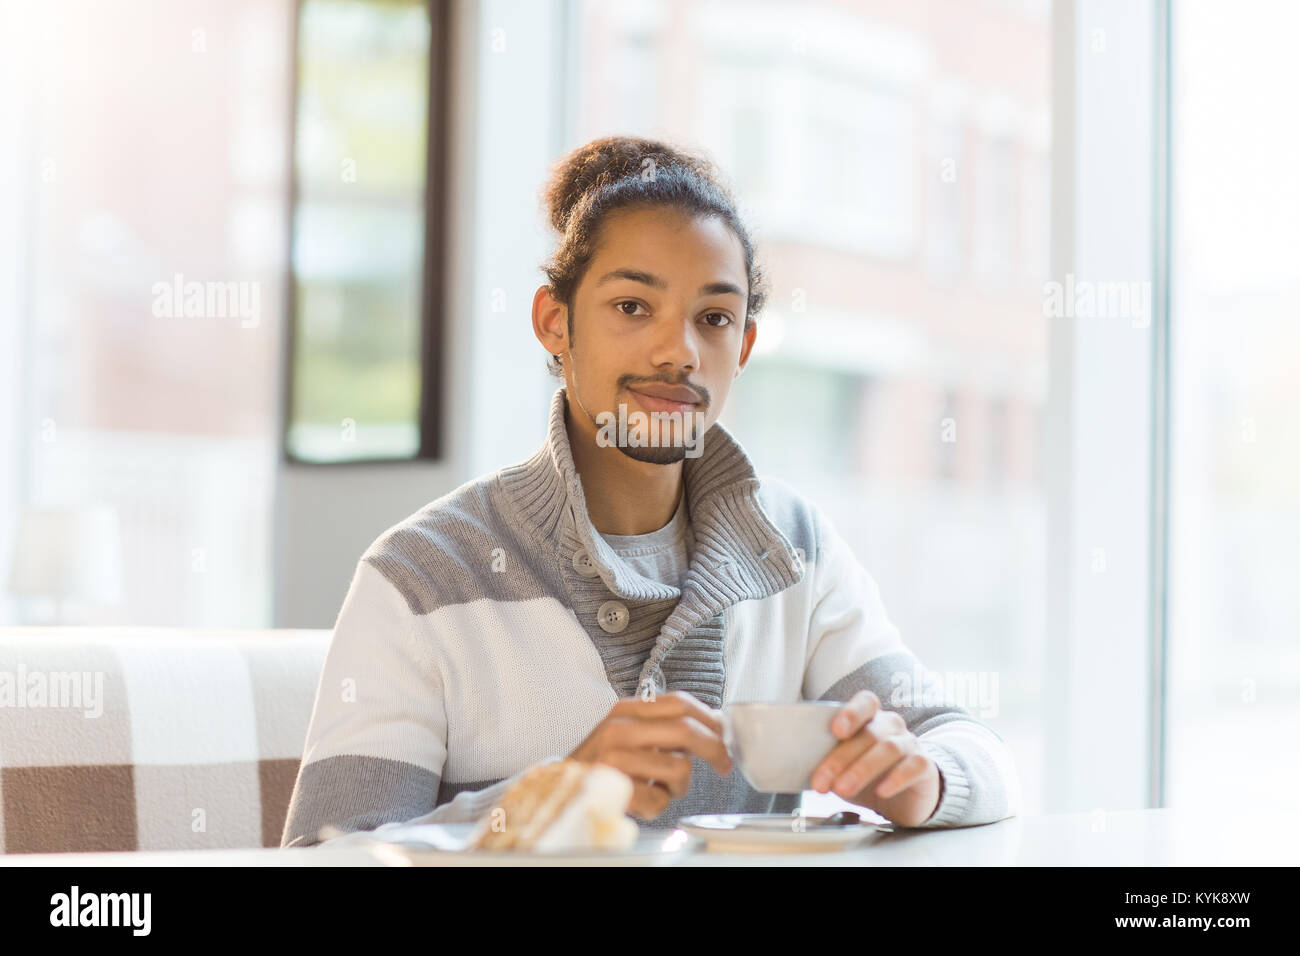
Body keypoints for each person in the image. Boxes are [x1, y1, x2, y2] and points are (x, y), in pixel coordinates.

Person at [280, 135, 1021, 848]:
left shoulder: (795, 548)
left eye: (715, 318)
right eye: (633, 307)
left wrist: (920, 780)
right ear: (554, 324)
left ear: (746, 348)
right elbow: (326, 855)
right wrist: (560, 793)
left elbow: (970, 750)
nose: (679, 351)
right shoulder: (421, 575)